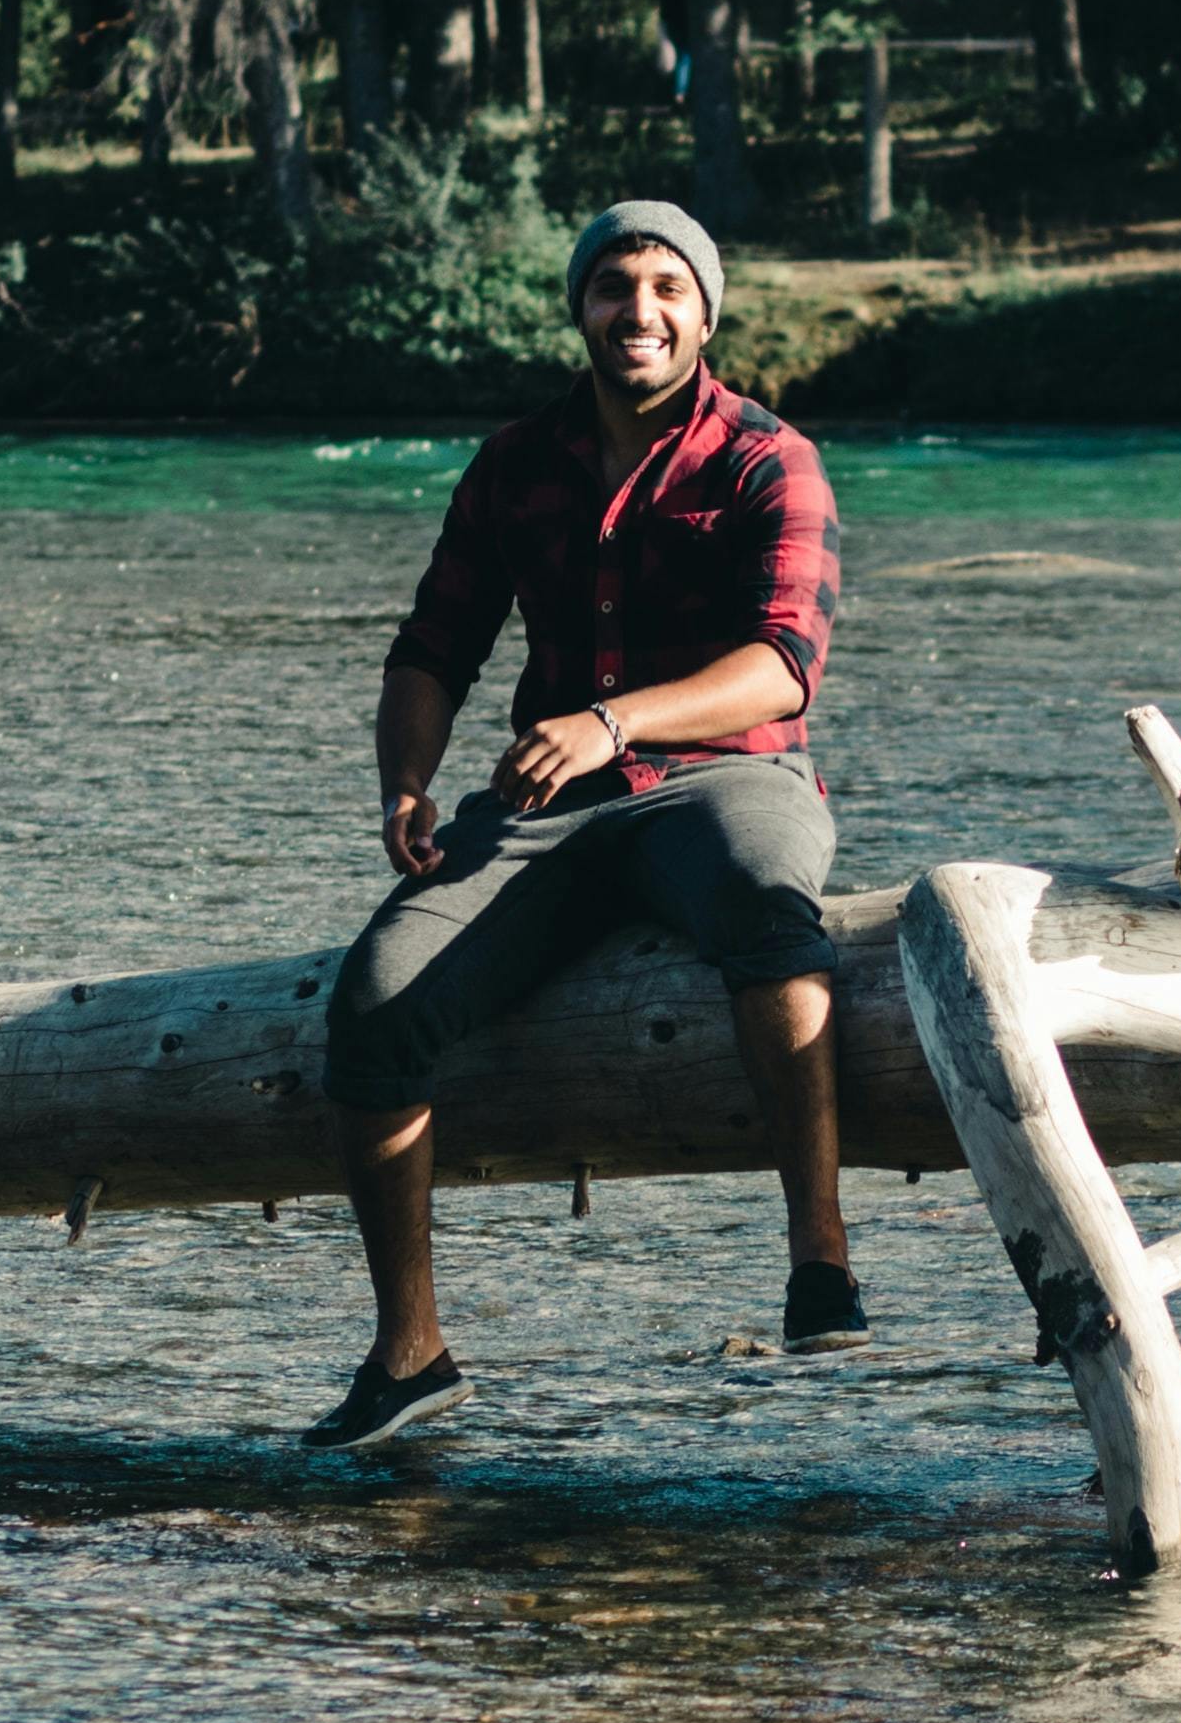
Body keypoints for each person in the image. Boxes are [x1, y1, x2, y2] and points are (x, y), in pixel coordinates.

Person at [301, 200, 862, 1449]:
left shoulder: (772, 458)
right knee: (376, 1001)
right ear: (581, 308)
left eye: (669, 287)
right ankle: (410, 1356)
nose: (640, 311)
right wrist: (405, 783)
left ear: (706, 315)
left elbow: (783, 663)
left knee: (772, 910)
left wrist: (614, 722)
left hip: (726, 778)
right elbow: (433, 643)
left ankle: (818, 1259)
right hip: (546, 804)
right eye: (615, 286)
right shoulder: (518, 460)